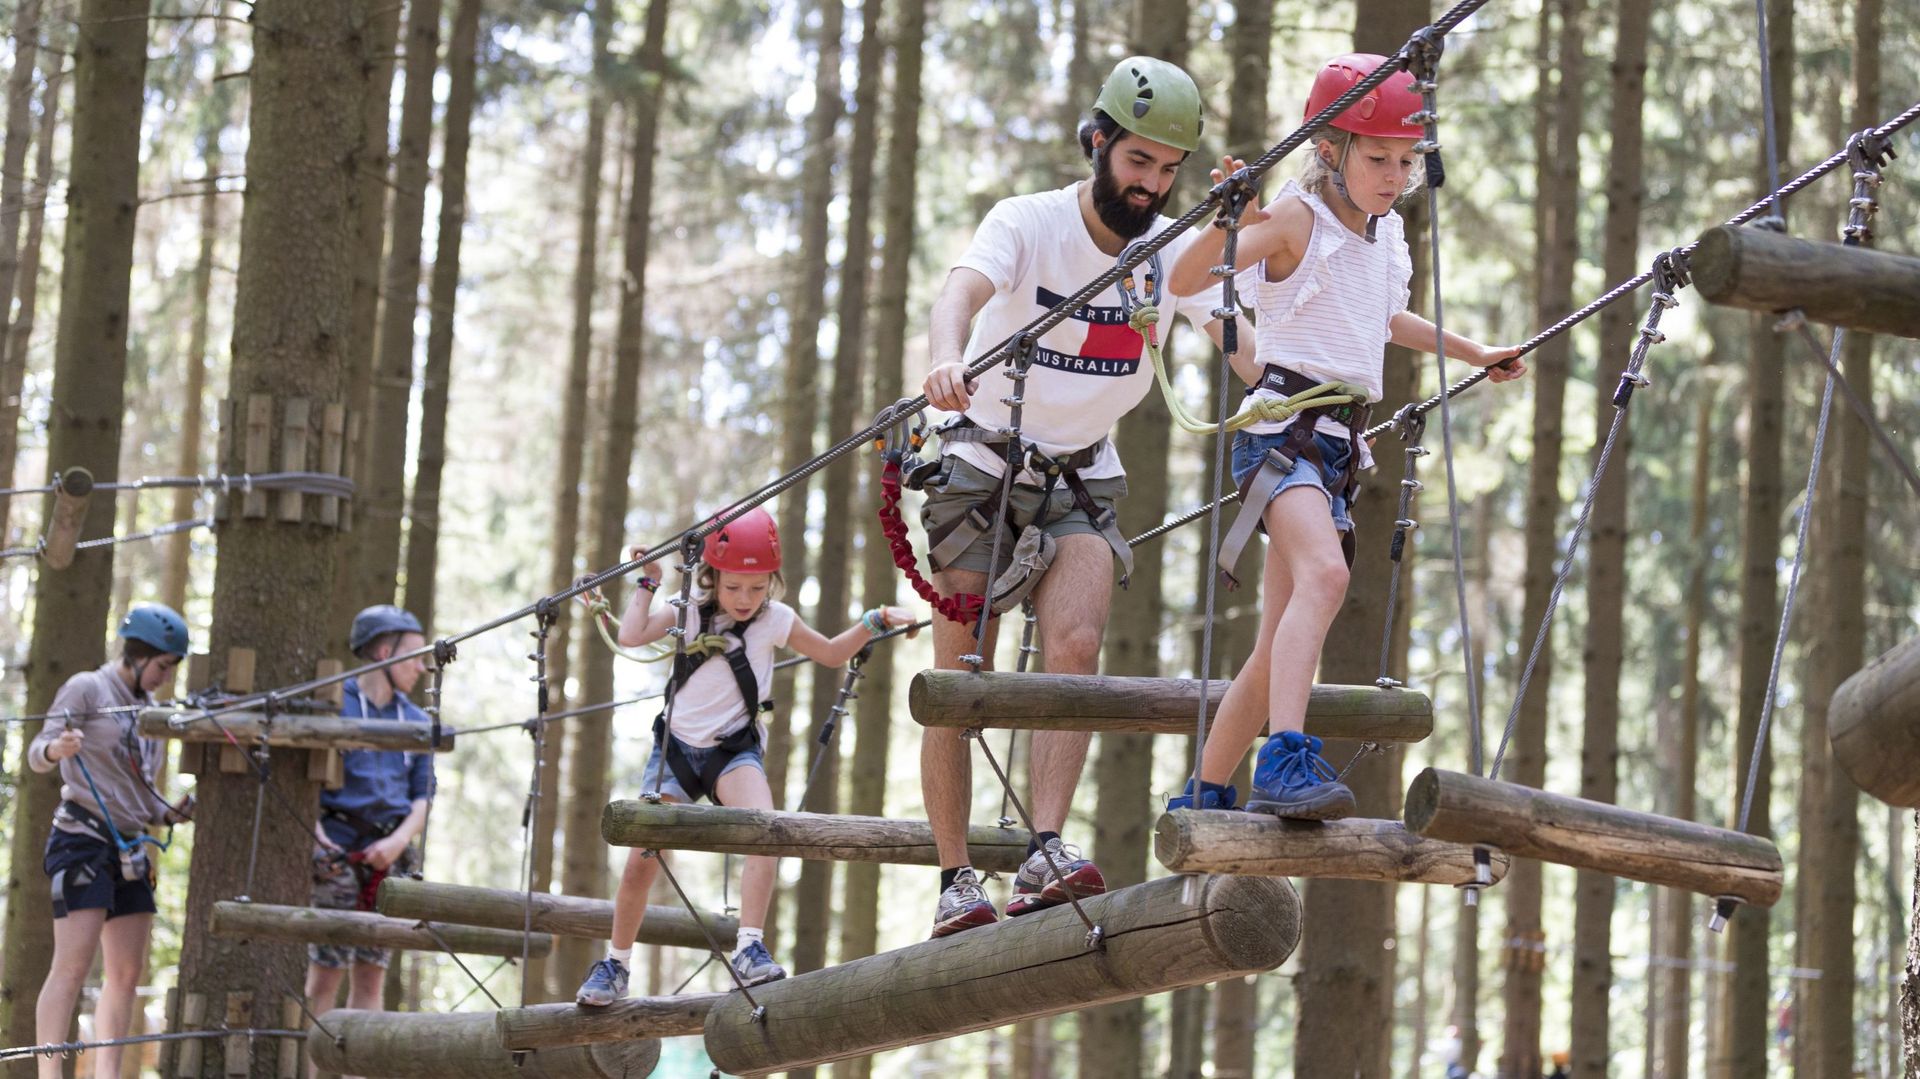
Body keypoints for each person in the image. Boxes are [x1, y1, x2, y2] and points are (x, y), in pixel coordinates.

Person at [915, 55, 1252, 938]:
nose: (1152, 184)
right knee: (963, 676)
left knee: (1076, 639)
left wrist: (1298, 391)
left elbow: (1238, 341)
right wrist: (945, 357)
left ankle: (1045, 846)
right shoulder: (1027, 223)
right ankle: (956, 875)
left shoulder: (1173, 248)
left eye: (1169, 169)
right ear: (1097, 141)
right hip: (982, 462)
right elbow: (964, 289)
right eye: (1138, 161)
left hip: (1082, 473)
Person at [1166, 53, 1525, 817]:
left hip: (1333, 449)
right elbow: (1187, 282)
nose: (1396, 175)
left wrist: (1474, 352)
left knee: (1271, 654)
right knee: (1326, 579)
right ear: (1329, 150)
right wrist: (1228, 222)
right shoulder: (1298, 218)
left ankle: (1200, 795)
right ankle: (1286, 761)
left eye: (1407, 160)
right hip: (1280, 436)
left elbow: (1382, 319)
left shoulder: (1385, 234)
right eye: (1379, 158)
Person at [573, 506, 917, 1004]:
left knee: (767, 832)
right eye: (733, 587)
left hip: (732, 752)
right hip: (675, 752)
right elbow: (630, 636)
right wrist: (647, 582)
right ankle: (616, 963)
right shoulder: (688, 608)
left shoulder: (776, 619)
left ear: (772, 584)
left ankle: (750, 948)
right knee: (641, 862)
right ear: (713, 577)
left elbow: (830, 653)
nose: (744, 599)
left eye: (757, 588)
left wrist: (875, 619)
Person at [29, 603, 193, 1079]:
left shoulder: (152, 714)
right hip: (82, 838)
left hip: (131, 847)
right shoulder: (89, 688)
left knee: (125, 974)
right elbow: (39, 750)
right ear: (139, 656)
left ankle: (108, 1074)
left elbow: (143, 795)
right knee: (72, 967)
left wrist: (171, 813)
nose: (166, 677)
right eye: (163, 666)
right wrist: (57, 748)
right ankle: (50, 1075)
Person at [304, 604, 435, 1069]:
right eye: (414, 656)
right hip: (336, 849)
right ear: (384, 652)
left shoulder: (417, 720)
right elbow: (307, 784)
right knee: (324, 974)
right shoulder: (333, 704)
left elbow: (423, 797)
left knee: (371, 977)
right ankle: (311, 1070)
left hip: (392, 856)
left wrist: (398, 843)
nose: (422, 667)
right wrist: (320, 841)